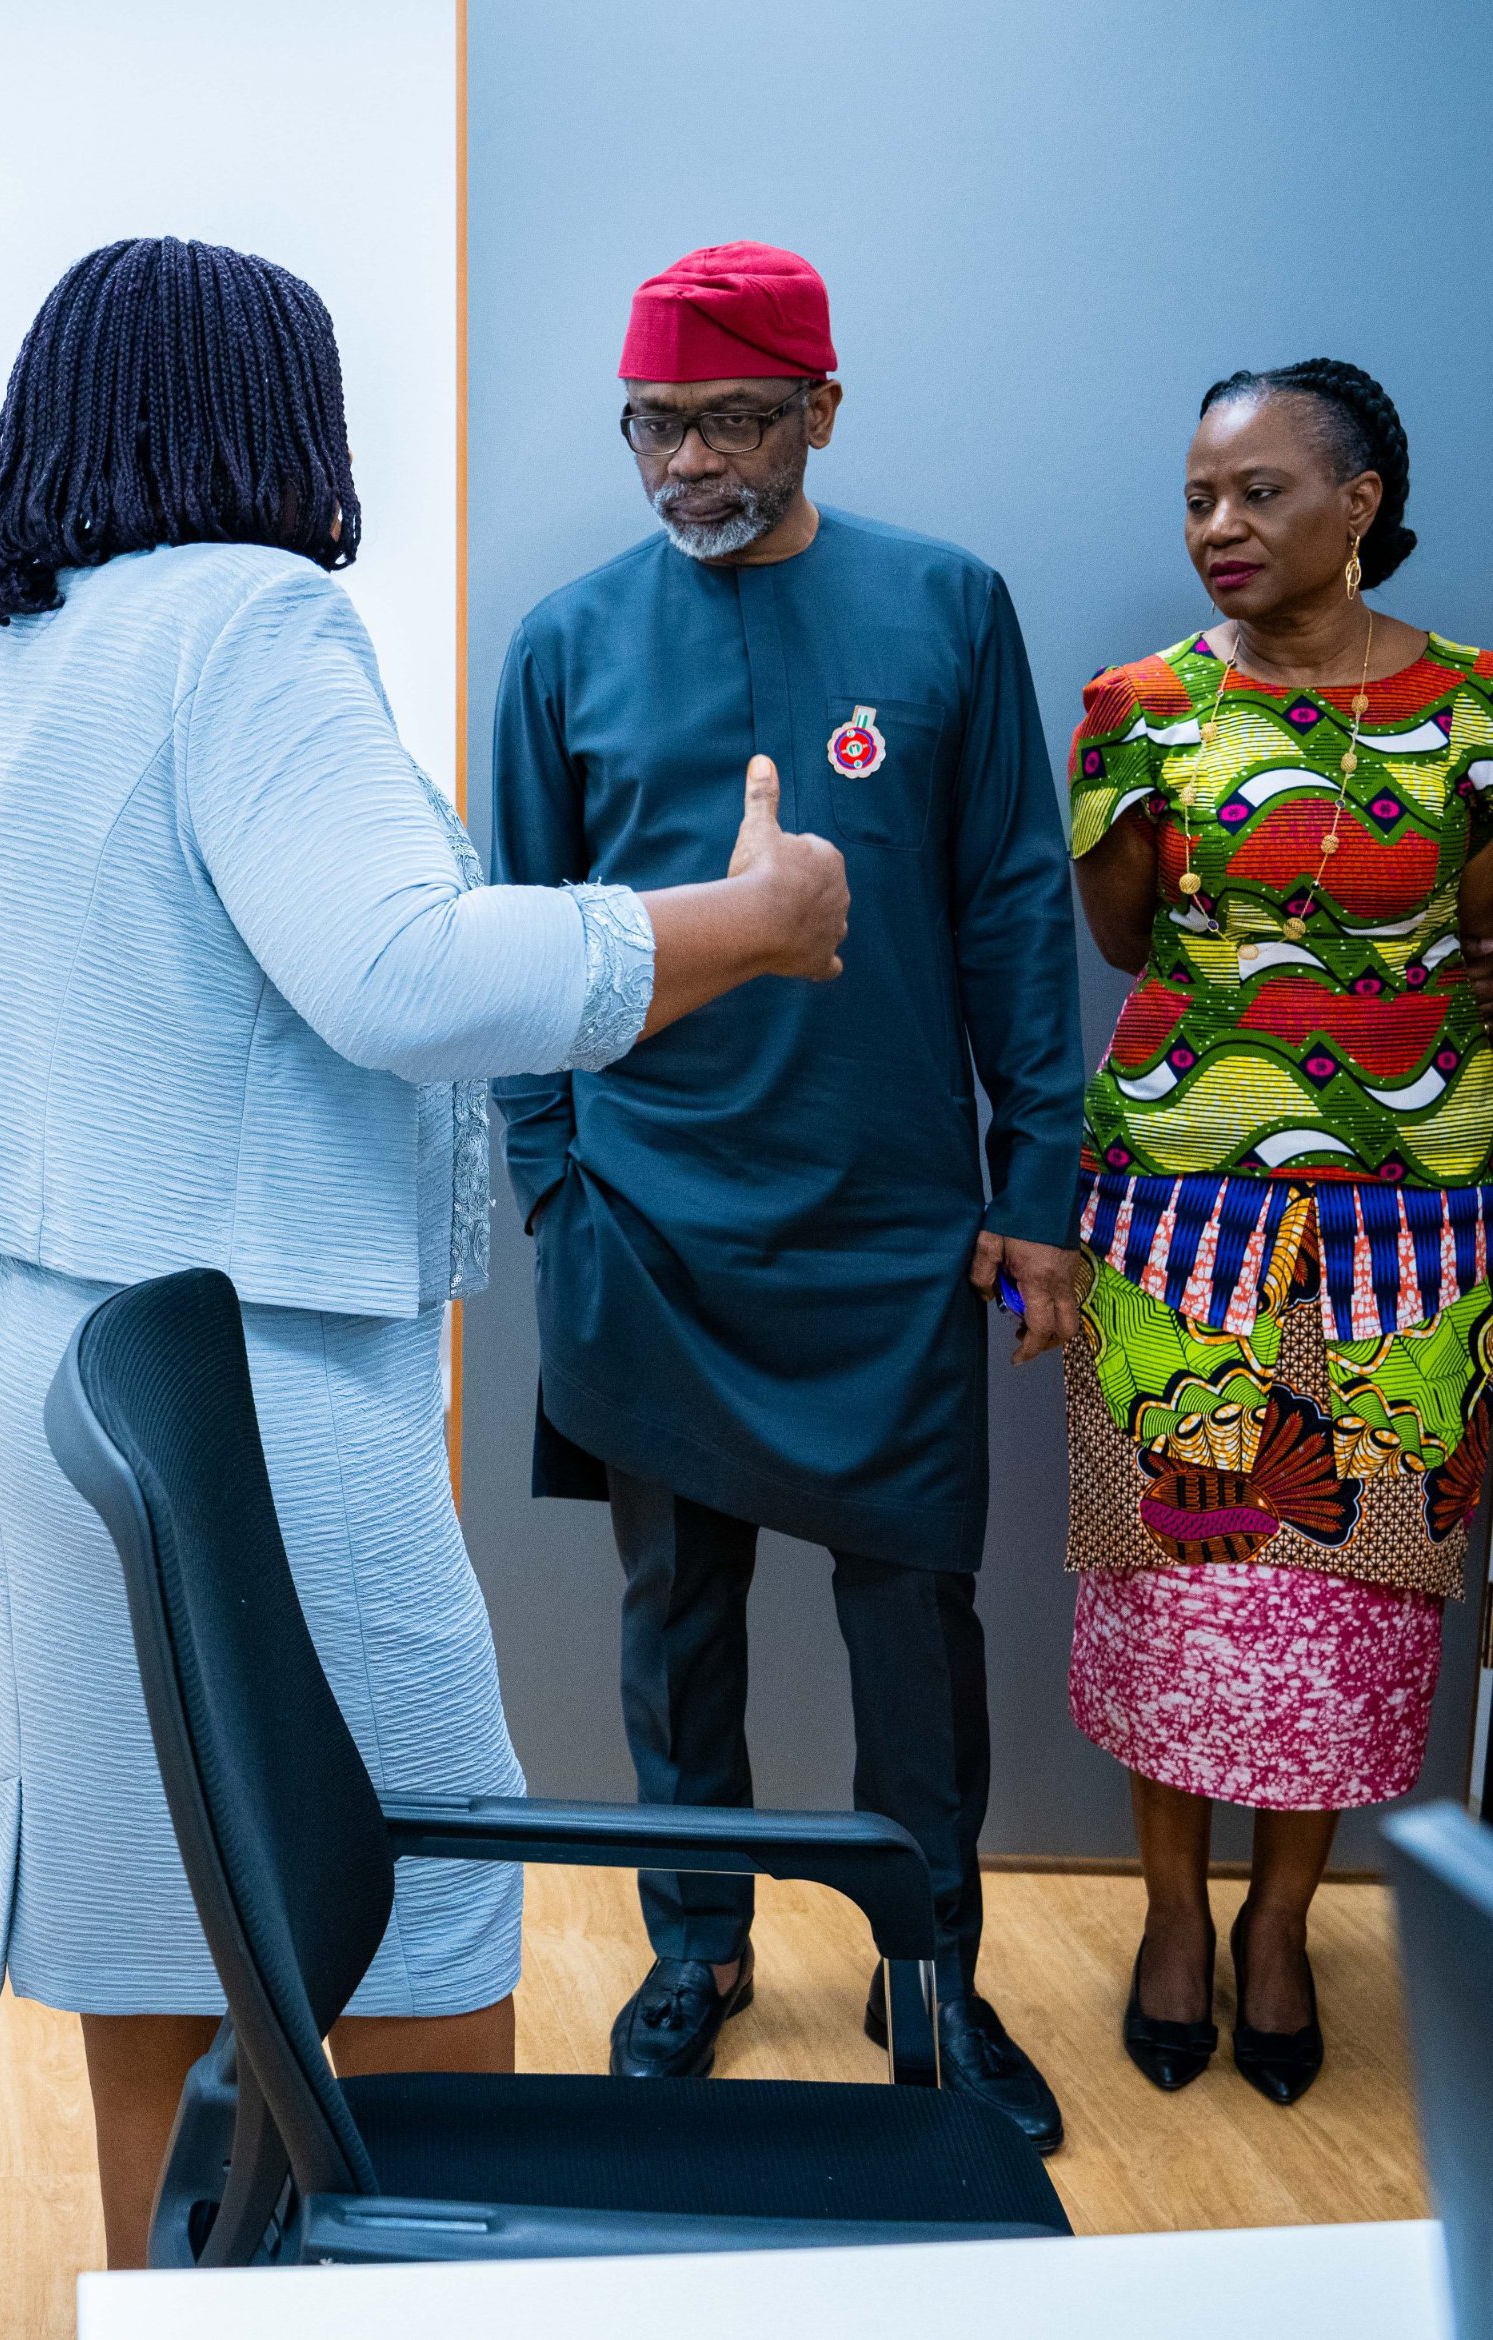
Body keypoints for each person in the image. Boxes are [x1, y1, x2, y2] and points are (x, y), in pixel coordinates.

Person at [0, 235, 850, 2269]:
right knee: (415, 1883)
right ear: (272, 409)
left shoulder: (44, 646)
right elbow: (403, 974)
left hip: (62, 1360)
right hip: (249, 1379)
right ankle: (439, 2300)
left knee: (158, 1893)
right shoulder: (255, 617)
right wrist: (745, 924)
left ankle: (174, 2305)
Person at [483, 241, 1084, 2149]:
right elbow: (518, 941)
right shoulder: (566, 643)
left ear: (823, 408)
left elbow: (1011, 903)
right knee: (677, 1626)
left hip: (891, 1220)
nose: (684, 464)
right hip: (649, 1221)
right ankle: (697, 1952)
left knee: (920, 1629)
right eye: (654, 424)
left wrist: (1040, 1184)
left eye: (730, 419)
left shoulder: (946, 609)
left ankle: (934, 1981)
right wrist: (555, 1190)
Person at [1065, 360, 1487, 2107]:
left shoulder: (1475, 710)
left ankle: (1283, 1921)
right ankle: (1174, 1914)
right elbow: (1118, 944)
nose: (1217, 529)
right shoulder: (1139, 701)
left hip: (1410, 1227)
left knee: (1355, 1584)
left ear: (1359, 503)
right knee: (1178, 1569)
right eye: (1196, 500)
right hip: (1178, 1212)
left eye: (1257, 494)